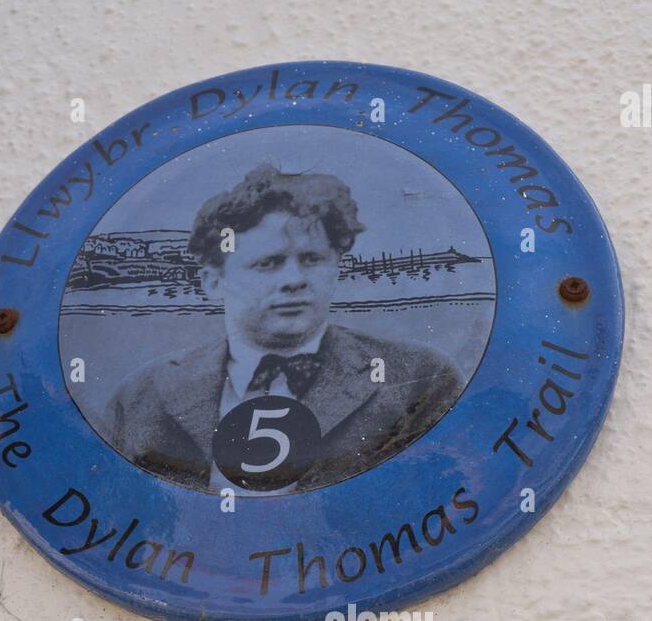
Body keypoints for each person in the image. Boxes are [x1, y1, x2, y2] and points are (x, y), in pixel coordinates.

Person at [107, 164, 464, 492]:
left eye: (312, 260)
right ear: (213, 281)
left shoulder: (419, 379)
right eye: (268, 263)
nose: (294, 280)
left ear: (336, 267)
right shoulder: (144, 394)